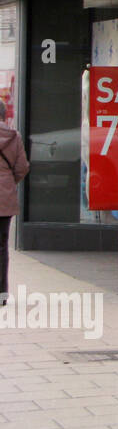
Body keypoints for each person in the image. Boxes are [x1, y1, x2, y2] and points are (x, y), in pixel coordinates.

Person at [0, 100, 30, 304]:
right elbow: (22, 167)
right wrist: (9, 183)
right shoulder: (14, 136)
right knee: (2, 246)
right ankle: (1, 293)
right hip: (5, 199)